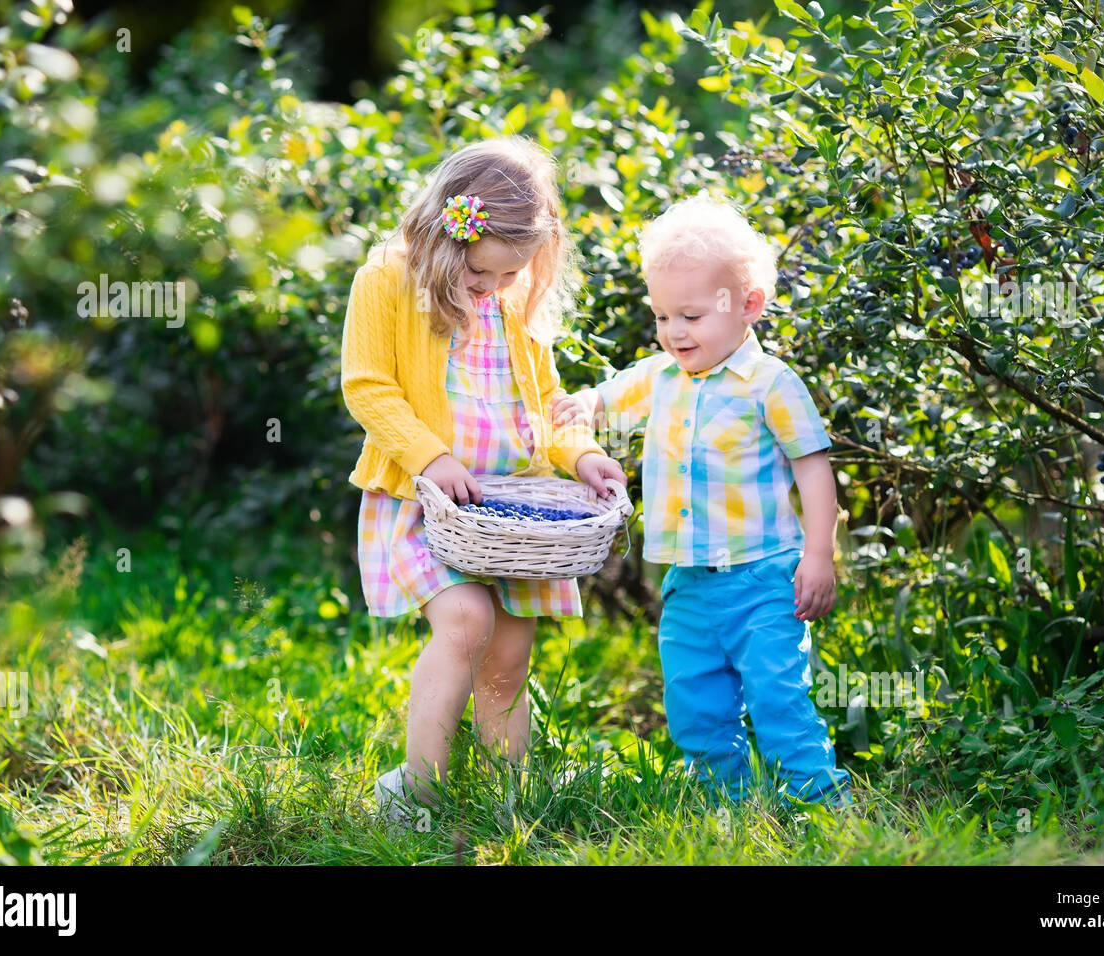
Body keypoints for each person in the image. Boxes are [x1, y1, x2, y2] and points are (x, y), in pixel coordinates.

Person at [340, 137, 627, 823]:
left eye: (507, 277)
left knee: (509, 653)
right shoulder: (387, 277)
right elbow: (368, 387)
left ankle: (510, 798)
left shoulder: (512, 300)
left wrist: (582, 454)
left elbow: (548, 413)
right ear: (447, 239)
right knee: (465, 622)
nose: (492, 290)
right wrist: (431, 456)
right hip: (426, 499)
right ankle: (418, 790)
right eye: (479, 277)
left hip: (510, 519)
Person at [553, 194, 851, 807]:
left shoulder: (773, 386)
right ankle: (726, 805)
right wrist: (583, 406)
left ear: (748, 307)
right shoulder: (661, 376)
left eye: (689, 315)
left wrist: (818, 554)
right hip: (688, 583)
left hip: (766, 576)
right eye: (662, 316)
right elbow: (605, 398)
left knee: (777, 695)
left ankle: (819, 803)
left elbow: (815, 471)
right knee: (693, 701)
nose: (672, 332)